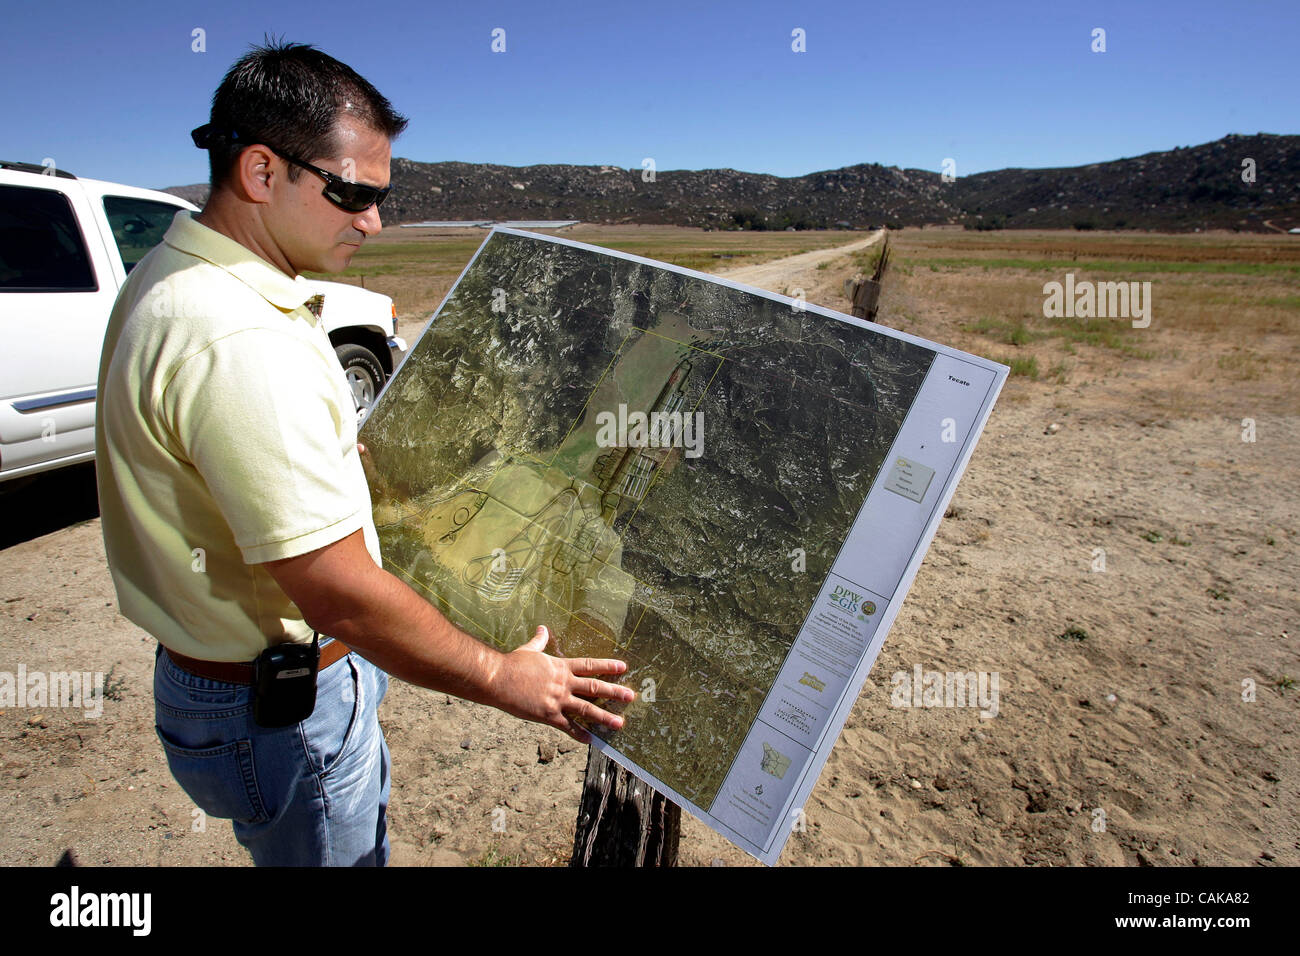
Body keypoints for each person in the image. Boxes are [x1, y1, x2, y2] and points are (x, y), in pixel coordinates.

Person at [95, 40, 632, 866]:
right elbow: (338, 595)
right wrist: (499, 677)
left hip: (222, 686)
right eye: (350, 192)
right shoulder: (239, 338)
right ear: (262, 171)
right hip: (278, 709)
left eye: (382, 197)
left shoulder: (177, 273)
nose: (374, 222)